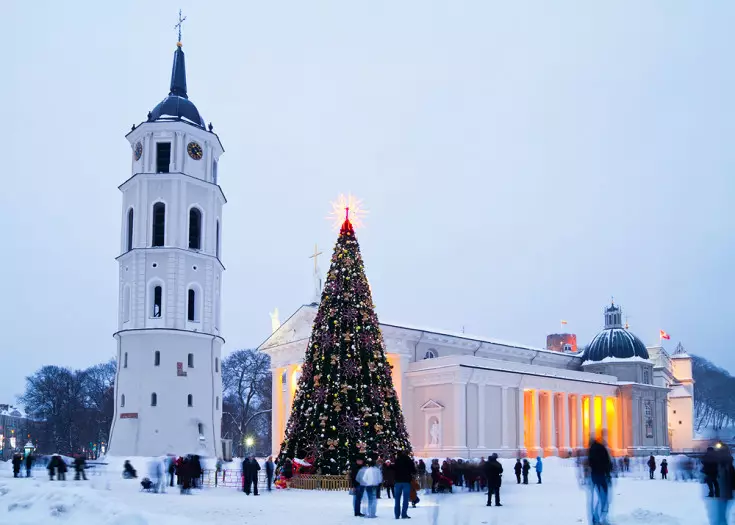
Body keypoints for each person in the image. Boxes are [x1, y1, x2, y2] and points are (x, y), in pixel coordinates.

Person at [587, 432, 612, 525]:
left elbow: (590, 463)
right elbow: (607, 462)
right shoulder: (601, 449)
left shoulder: (591, 450)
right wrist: (608, 474)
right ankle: (601, 517)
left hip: (595, 475)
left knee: (597, 497)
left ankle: (596, 517)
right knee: (604, 497)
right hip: (601, 475)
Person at [393, 450, 416, 520]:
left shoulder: (397, 460)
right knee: (405, 499)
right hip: (406, 481)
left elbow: (393, 470)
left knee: (397, 499)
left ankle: (397, 515)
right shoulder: (408, 460)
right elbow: (413, 470)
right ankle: (404, 514)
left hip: (397, 482)